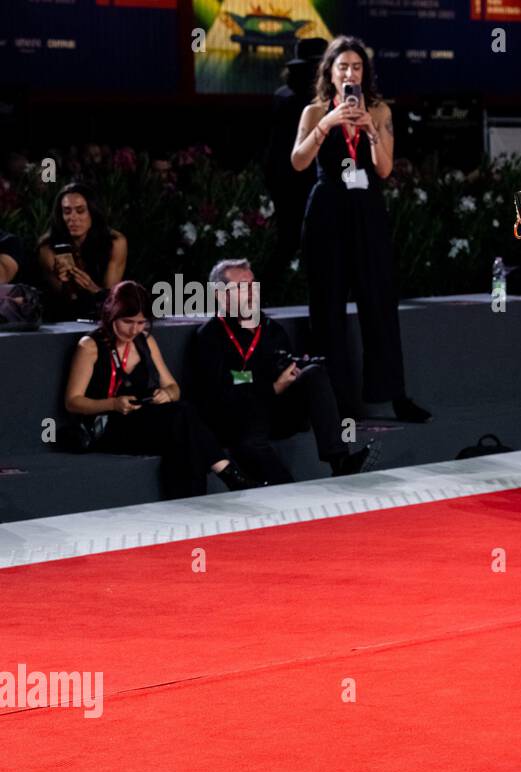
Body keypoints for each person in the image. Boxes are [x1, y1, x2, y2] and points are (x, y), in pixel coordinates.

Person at [289, 35, 431, 424]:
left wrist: (370, 130)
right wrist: (327, 125)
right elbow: (298, 162)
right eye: (343, 67)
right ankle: (334, 402)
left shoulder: (380, 110)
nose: (350, 73)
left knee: (379, 302)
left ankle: (395, 395)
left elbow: (384, 169)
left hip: (367, 208)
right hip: (328, 209)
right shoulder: (315, 110)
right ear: (330, 73)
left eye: (356, 67)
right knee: (327, 306)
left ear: (364, 72)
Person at [64, 280, 263, 497]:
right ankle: (229, 475)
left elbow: (173, 387)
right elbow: (73, 401)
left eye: (141, 323)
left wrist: (166, 394)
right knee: (183, 420)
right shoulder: (90, 346)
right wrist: (112, 403)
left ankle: (196, 498)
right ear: (111, 315)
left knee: (182, 425)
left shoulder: (144, 341)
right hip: (107, 425)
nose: (134, 329)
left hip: (140, 418)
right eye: (128, 321)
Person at [189, 258, 375, 484]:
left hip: (275, 412)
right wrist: (271, 387)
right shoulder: (209, 336)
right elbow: (218, 395)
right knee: (247, 427)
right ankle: (284, 487)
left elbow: (279, 364)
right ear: (220, 295)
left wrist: (293, 371)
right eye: (242, 287)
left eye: (253, 285)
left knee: (313, 373)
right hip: (238, 419)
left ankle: (341, 462)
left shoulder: (269, 328)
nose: (251, 293)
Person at [265, 37, 326, 279]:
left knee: (288, 240)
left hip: (283, 179)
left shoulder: (284, 94)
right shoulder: (309, 101)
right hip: (304, 180)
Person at [37, 183, 127, 322]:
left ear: (93, 212)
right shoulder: (47, 248)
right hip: (60, 318)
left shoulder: (115, 243)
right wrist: (65, 283)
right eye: (67, 211)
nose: (73, 218)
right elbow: (62, 302)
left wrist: (93, 289)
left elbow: (111, 300)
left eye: (80, 211)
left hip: (102, 316)